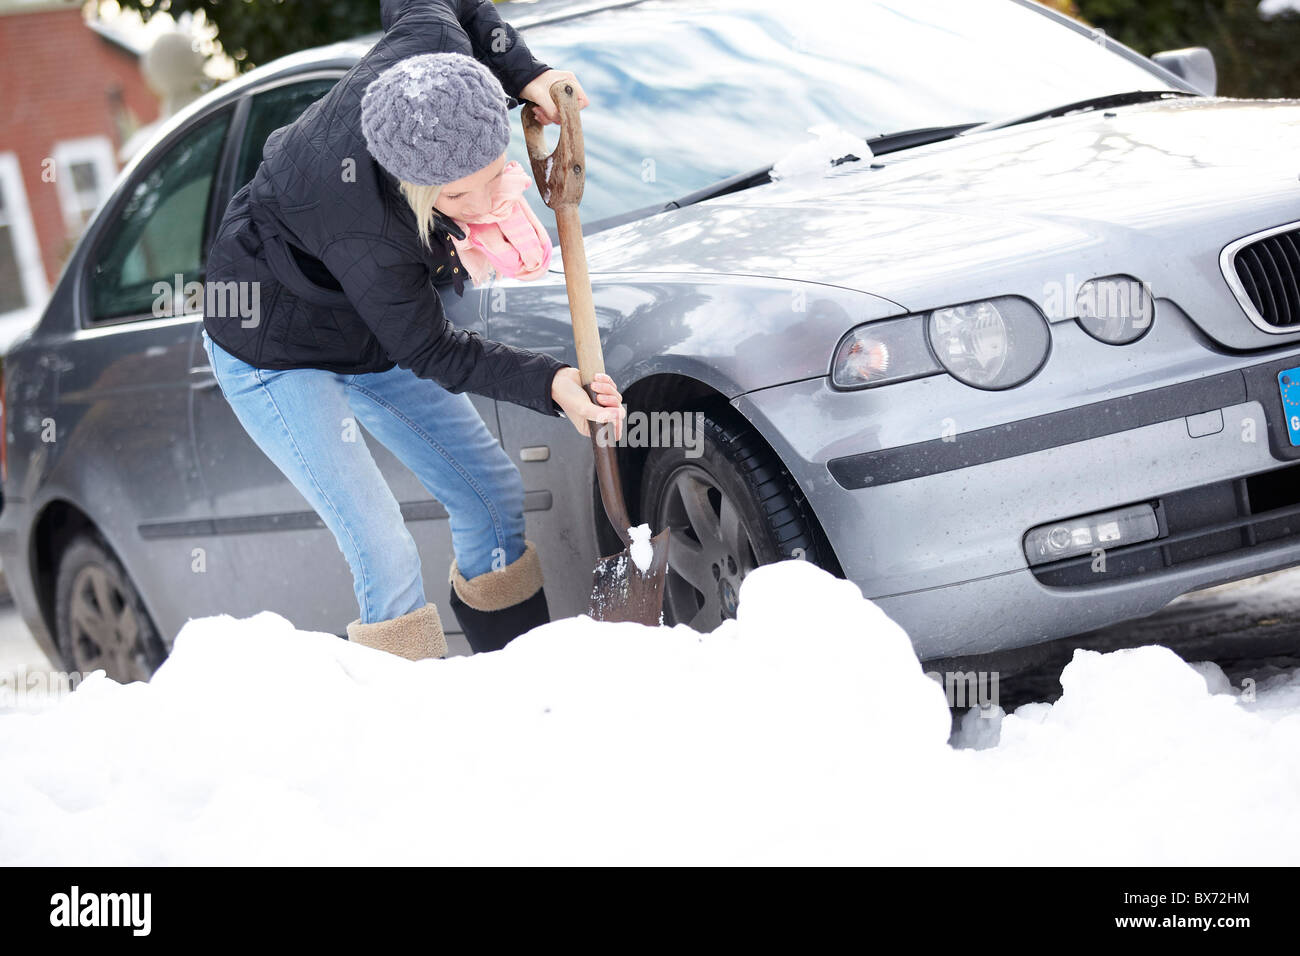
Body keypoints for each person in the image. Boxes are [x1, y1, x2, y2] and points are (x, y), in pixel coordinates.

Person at [201, 0, 625, 661]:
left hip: (367, 326)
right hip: (272, 347)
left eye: (493, 179)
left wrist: (524, 71)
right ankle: (412, 736)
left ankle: (526, 689)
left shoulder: (432, 44)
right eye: (456, 199)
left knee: (491, 494)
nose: (485, 207)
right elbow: (429, 348)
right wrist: (552, 383)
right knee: (383, 547)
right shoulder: (364, 226)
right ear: (410, 183)